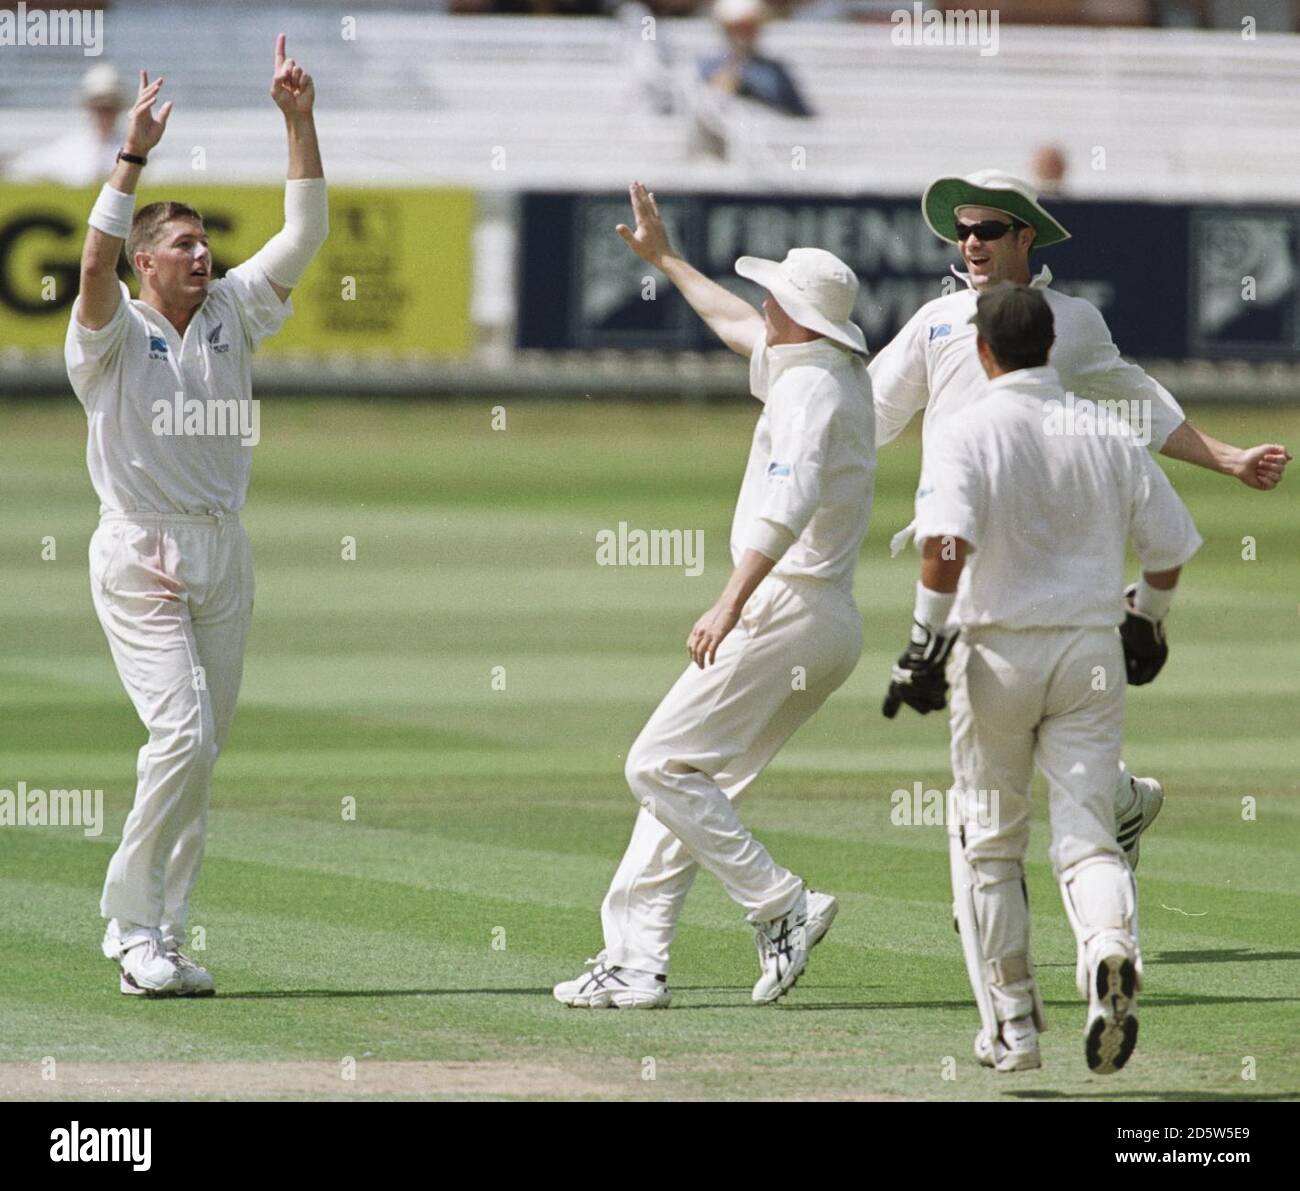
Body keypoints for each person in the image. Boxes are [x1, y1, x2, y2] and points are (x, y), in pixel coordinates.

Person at [870, 169, 1290, 868]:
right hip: (960, 530)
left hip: (1042, 537)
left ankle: (991, 878)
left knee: (1012, 702)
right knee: (1006, 706)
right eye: (963, 230)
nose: (972, 242)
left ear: (1025, 236)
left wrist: (1231, 459)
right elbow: (869, 414)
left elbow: (1139, 402)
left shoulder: (1073, 320)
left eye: (989, 229)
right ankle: (1114, 803)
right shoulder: (936, 320)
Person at [553, 181, 873, 1008]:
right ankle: (635, 961)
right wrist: (667, 260)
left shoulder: (810, 389)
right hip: (824, 617)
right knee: (690, 779)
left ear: (798, 313)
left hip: (786, 607)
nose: (762, 304)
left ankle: (781, 903)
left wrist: (730, 601)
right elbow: (737, 326)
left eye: (774, 295)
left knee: (654, 763)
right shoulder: (822, 367)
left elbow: (788, 498)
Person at [884, 283, 1202, 1073]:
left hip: (996, 657)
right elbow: (1167, 544)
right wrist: (1146, 620)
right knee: (1089, 838)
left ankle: (1015, 1028)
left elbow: (944, 548)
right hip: (1090, 654)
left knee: (991, 846)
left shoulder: (967, 430)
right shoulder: (1104, 428)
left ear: (985, 350)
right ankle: (1109, 951)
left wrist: (924, 643)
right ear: (1052, 346)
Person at [67, 37, 328, 997]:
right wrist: (129, 158)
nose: (202, 250)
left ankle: (165, 936)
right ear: (146, 261)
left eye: (204, 240)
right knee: (178, 735)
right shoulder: (108, 335)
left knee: (201, 751)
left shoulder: (232, 309)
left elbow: (303, 237)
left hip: (223, 546)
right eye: (182, 244)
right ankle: (131, 929)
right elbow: (92, 262)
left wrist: (298, 121)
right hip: (139, 542)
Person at [7, 64, 128, 186]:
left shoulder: (131, 147)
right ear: (88, 106)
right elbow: (25, 167)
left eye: (109, 107)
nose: (104, 114)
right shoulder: (70, 147)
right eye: (98, 106)